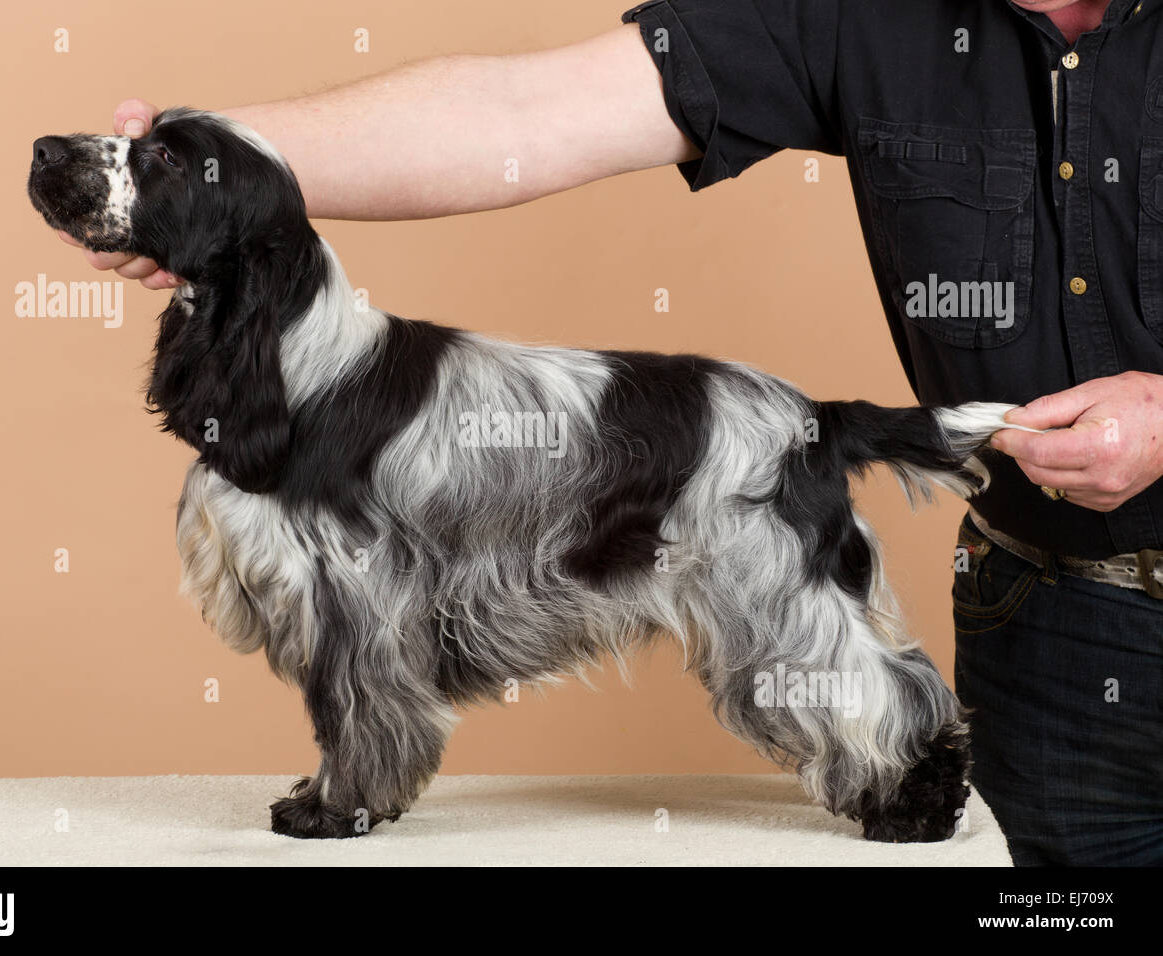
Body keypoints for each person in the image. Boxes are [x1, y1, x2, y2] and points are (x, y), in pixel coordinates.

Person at [62, 0, 1163, 865]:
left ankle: (897, 736)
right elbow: (515, 117)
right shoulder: (856, 11)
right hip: (1049, 637)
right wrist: (209, 165)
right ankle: (910, 754)